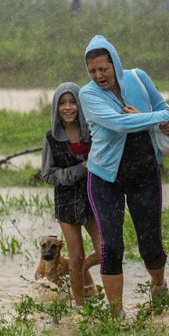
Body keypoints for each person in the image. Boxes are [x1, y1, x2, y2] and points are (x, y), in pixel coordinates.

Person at [78, 34, 169, 314]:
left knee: (151, 243)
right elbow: (120, 123)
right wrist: (160, 119)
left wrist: (164, 118)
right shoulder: (88, 94)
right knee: (111, 246)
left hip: (145, 171)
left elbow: (161, 106)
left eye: (104, 69)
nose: (99, 76)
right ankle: (116, 314)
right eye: (93, 71)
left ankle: (159, 285)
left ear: (115, 63)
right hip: (105, 178)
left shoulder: (138, 78)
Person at [40, 82, 101, 306]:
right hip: (66, 202)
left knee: (105, 251)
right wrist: (78, 170)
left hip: (94, 200)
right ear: (56, 108)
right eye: (62, 103)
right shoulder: (51, 138)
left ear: (81, 104)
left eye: (73, 101)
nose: (68, 107)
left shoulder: (94, 131)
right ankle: (80, 309)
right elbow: (47, 175)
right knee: (75, 256)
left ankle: (80, 270)